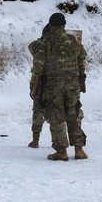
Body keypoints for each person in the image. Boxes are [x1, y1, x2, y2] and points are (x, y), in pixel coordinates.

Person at [29, 12, 87, 161]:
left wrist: (34, 86)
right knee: (74, 115)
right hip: (73, 85)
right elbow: (82, 60)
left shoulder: (46, 42)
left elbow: (38, 66)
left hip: (54, 86)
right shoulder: (74, 40)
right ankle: (79, 150)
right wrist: (80, 79)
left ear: (50, 25)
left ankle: (61, 151)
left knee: (56, 117)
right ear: (64, 25)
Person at [27, 24, 50, 148]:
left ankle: (35, 139)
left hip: (40, 82)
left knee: (38, 111)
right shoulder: (58, 45)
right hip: (56, 83)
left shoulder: (39, 45)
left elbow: (32, 46)